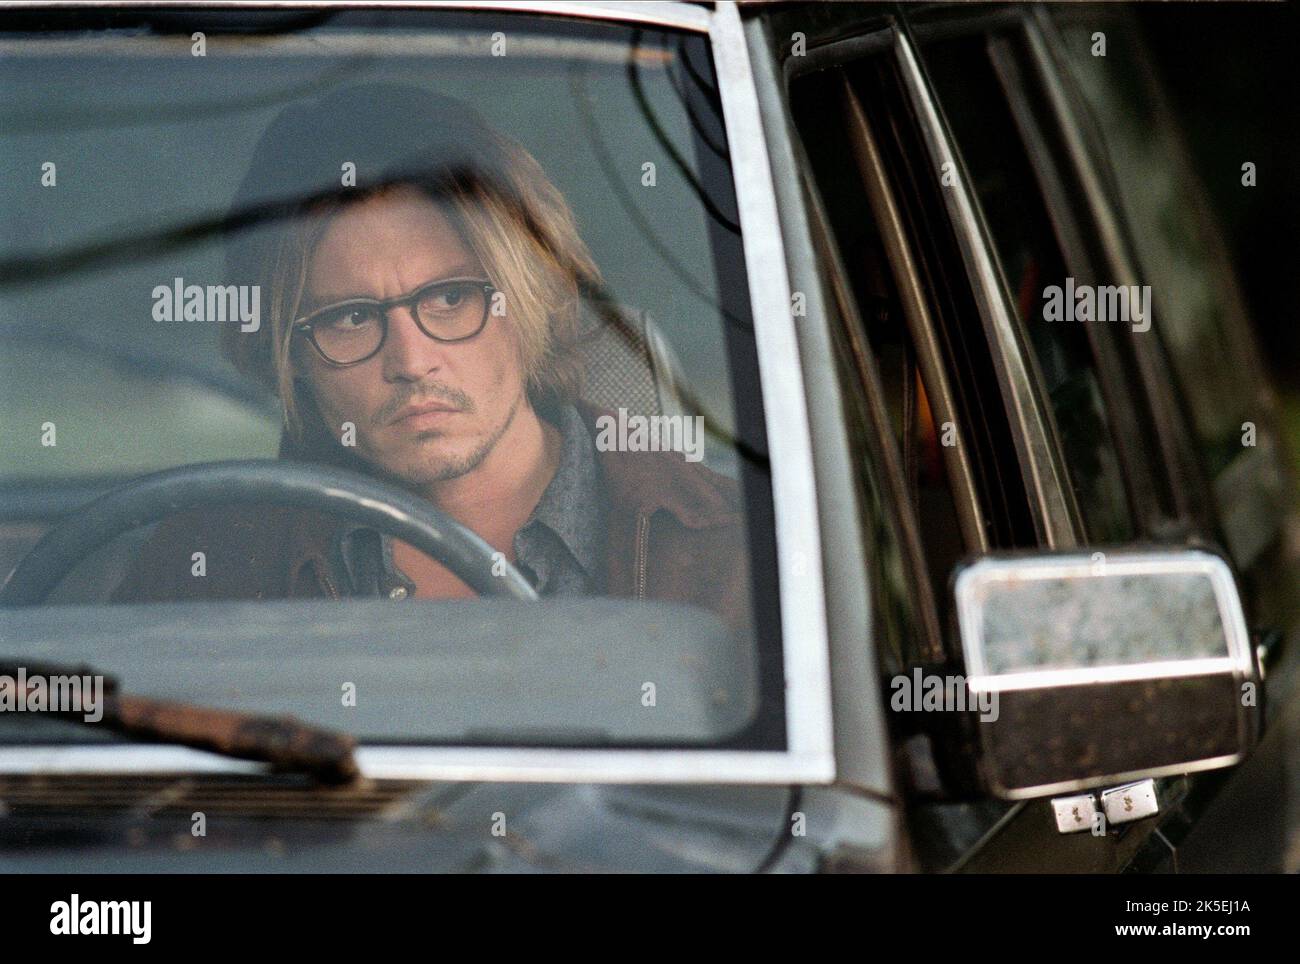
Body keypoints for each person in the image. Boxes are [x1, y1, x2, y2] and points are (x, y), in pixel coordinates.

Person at [113, 84, 751, 632]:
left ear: (530, 303)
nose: (412, 360)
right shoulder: (203, 570)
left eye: (451, 298)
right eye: (350, 316)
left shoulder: (734, 553)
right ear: (290, 358)